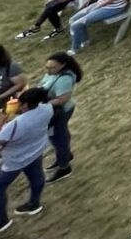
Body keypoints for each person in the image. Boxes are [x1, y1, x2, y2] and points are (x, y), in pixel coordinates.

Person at [0, 88, 52, 227]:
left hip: (16, 159)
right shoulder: (47, 108)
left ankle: (2, 222)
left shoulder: (16, 124)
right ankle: (34, 204)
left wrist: (5, 116)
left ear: (26, 105)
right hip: (35, 150)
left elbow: (0, 139)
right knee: (37, 177)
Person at [36, 53, 79, 183]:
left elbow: (61, 100)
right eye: (47, 67)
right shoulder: (53, 73)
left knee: (58, 137)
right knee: (62, 133)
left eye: (52, 68)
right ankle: (66, 155)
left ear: (62, 65)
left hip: (60, 112)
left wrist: (41, 104)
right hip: (54, 111)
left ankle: (64, 167)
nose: (48, 71)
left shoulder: (64, 79)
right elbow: (43, 83)